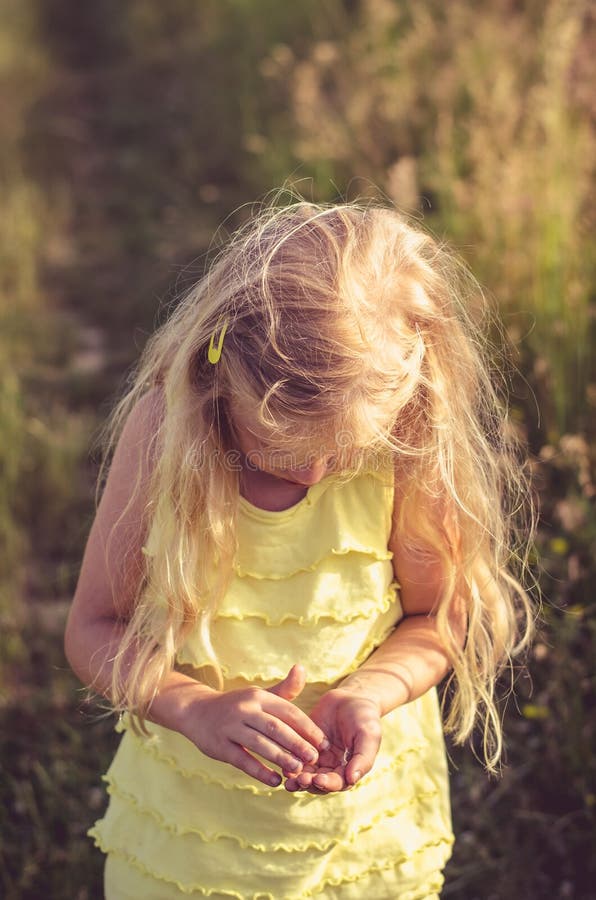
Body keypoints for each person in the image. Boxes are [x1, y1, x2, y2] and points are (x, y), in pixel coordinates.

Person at [65, 199, 535, 899]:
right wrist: (194, 707)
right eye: (280, 452)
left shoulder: (407, 443)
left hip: (362, 839)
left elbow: (437, 618)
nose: (315, 475)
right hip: (196, 843)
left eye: (343, 456)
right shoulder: (167, 432)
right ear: (222, 376)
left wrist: (372, 691)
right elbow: (93, 628)